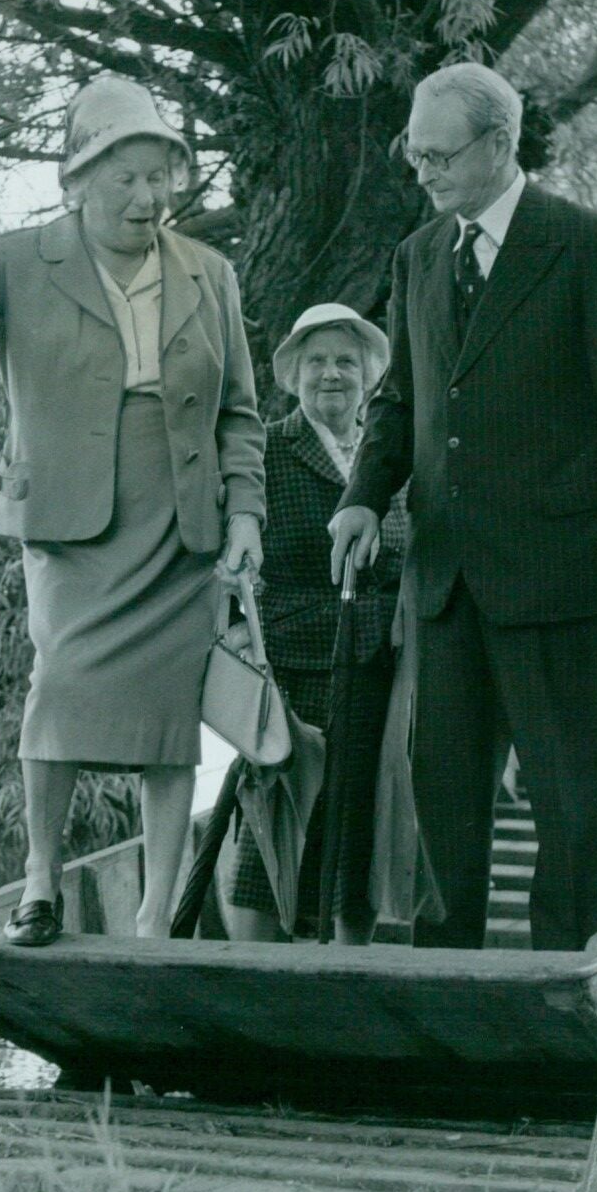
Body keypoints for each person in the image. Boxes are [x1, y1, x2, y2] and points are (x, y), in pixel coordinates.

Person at [0, 75, 266, 948]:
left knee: (171, 724)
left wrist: (246, 512)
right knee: (58, 691)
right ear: (79, 181)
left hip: (183, 517)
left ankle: (154, 917)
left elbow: (239, 413)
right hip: (72, 522)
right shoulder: (18, 262)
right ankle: (39, 882)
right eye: (125, 179)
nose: (148, 199)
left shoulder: (209, 272)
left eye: (160, 178)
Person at [329, 63, 597, 952]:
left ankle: (568, 977)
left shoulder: (589, 246)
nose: (424, 171)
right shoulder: (417, 257)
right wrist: (364, 499)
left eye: (440, 155)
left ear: (500, 145)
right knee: (444, 791)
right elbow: (401, 400)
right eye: (414, 155)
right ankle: (452, 983)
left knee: (565, 795)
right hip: (444, 578)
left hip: (557, 576)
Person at [220, 304, 410, 946]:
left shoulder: (390, 457)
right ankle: (248, 966)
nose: (333, 374)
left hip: (382, 659)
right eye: (318, 362)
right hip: (295, 661)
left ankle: (350, 964)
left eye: (347, 362)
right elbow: (230, 556)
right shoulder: (268, 448)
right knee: (276, 815)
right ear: (294, 374)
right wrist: (241, 639)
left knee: (362, 820)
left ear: (369, 377)